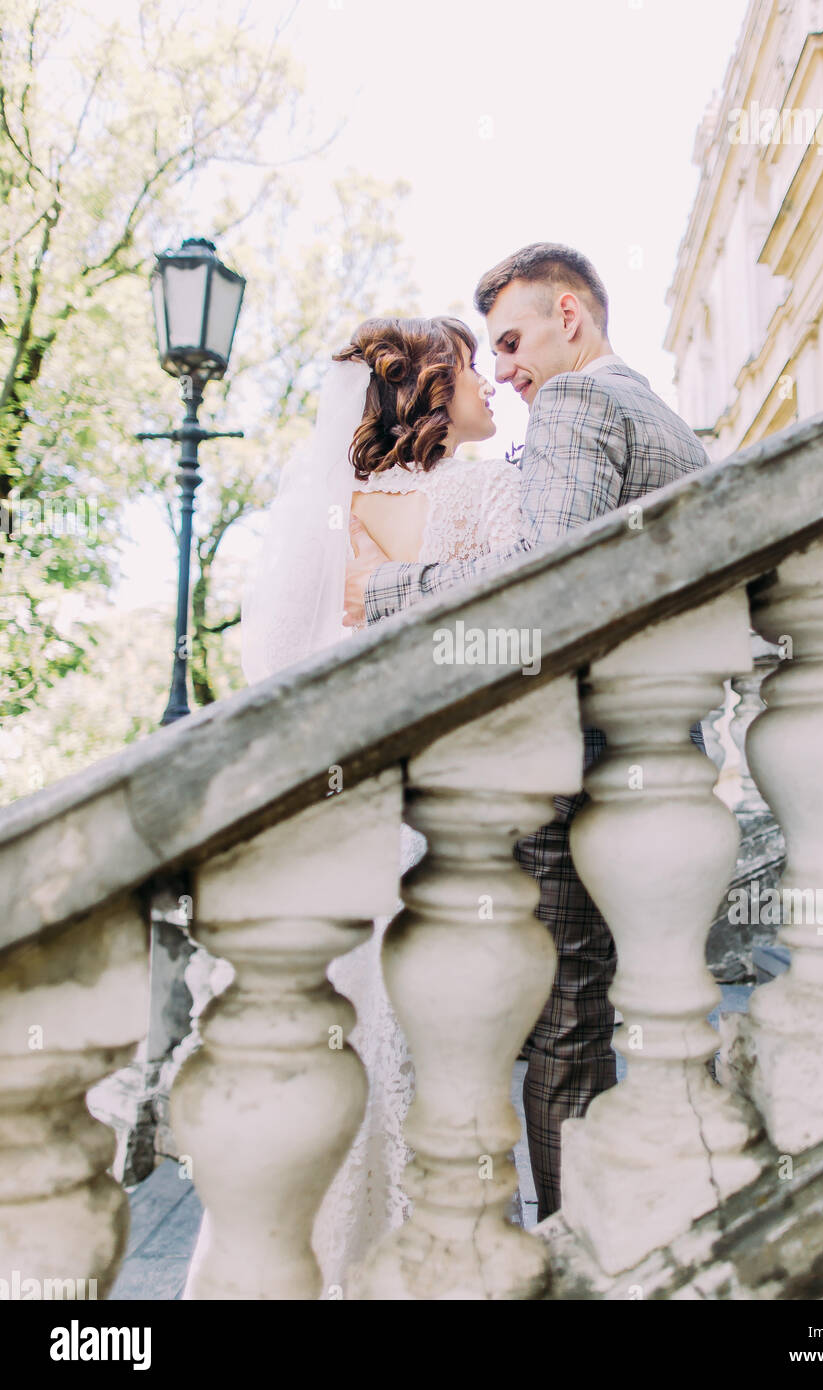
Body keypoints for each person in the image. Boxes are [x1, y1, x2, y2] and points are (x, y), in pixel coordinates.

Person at [343, 243, 710, 1219]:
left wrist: (388, 592)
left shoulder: (578, 404)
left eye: (510, 341)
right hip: (666, 764)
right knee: (642, 1011)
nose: (503, 368)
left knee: (562, 1024)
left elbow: (541, 579)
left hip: (574, 758)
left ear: (570, 316)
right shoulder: (669, 420)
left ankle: (567, 1243)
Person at [240, 314, 522, 1287]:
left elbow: (275, 665)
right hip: (434, 803)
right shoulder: (483, 492)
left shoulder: (329, 509)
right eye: (473, 368)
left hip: (331, 811)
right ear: (435, 389)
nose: (490, 383)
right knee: (436, 1038)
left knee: (338, 1032)